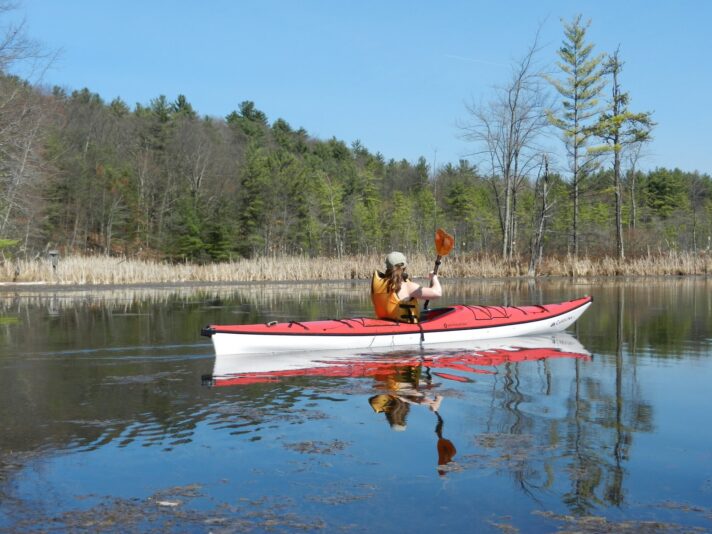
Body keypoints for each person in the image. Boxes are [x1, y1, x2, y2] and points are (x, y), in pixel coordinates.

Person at [371, 251, 442, 323]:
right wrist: (434, 278)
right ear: (404, 267)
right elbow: (438, 293)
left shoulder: (380, 285)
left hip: (383, 325)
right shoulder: (408, 287)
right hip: (404, 328)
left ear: (387, 267)